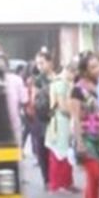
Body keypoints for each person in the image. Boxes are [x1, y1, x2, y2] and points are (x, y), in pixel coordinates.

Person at [68, 51, 99, 198]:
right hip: (86, 135)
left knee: (95, 177)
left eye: (98, 65)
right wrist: (79, 142)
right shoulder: (77, 90)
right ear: (85, 71)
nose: (97, 69)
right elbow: (75, 118)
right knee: (94, 175)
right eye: (93, 67)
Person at [45, 61, 78, 193]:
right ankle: (60, 183)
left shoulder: (58, 82)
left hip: (58, 120)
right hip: (61, 121)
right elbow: (63, 106)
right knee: (61, 153)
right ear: (70, 71)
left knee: (64, 151)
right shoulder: (61, 84)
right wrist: (74, 114)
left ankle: (65, 182)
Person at [29, 51, 56, 187]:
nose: (40, 66)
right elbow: (34, 99)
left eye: (42, 63)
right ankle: (47, 178)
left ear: (50, 62)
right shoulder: (38, 79)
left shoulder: (57, 77)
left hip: (56, 115)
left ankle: (56, 177)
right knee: (42, 146)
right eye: (38, 63)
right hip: (42, 116)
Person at [0, 53, 28, 146]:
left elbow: (24, 100)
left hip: (8, 125)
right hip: (10, 124)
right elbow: (24, 100)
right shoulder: (16, 80)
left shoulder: (16, 80)